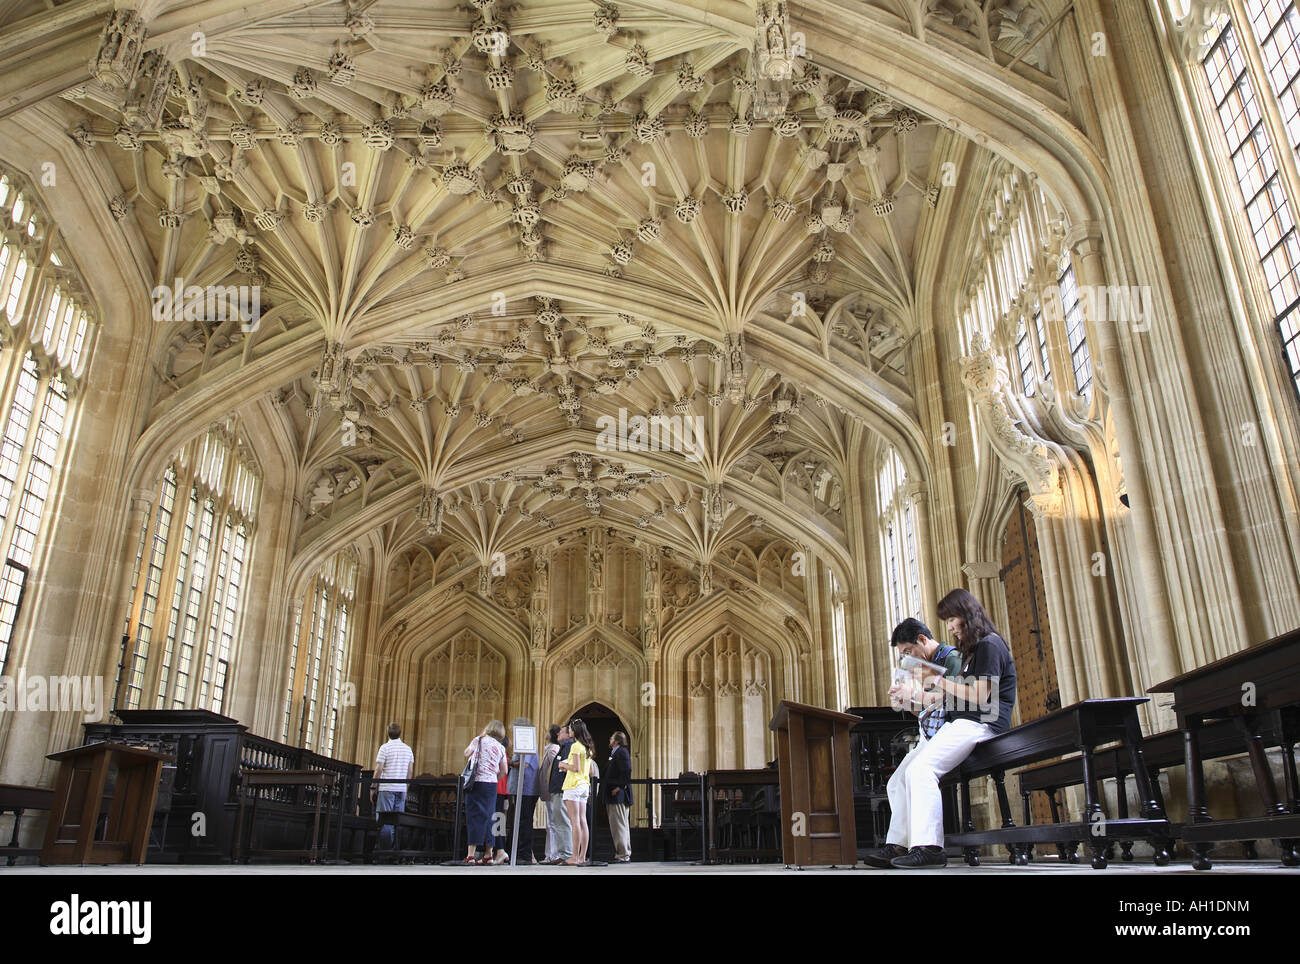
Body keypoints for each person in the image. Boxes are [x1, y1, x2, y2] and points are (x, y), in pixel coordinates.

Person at [881, 590, 1017, 869]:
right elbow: (951, 698)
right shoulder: (974, 651)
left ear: (968, 615)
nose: (951, 627)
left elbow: (980, 696)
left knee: (921, 770)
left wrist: (936, 679)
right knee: (906, 774)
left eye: (953, 619)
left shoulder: (990, 644)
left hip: (983, 722)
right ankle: (902, 844)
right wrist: (913, 696)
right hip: (963, 722)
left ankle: (929, 848)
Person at [862, 618, 961, 868]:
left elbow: (953, 700)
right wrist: (908, 703)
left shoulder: (951, 657)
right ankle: (898, 844)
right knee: (896, 782)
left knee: (917, 774)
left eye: (908, 651)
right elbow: (929, 709)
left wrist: (915, 694)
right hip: (931, 734)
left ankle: (928, 846)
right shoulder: (928, 665)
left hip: (951, 733)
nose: (907, 658)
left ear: (922, 640)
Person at [463, 720, 508, 865]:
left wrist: (479, 737)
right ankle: (489, 854)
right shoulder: (501, 747)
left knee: (474, 816)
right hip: (491, 785)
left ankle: (471, 855)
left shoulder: (479, 740)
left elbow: (466, 753)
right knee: (490, 817)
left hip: (475, 783)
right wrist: (494, 777)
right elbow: (504, 771)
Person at [557, 717, 595, 866]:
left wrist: (563, 765)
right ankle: (582, 856)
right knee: (582, 821)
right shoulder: (588, 748)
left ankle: (574, 857)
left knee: (574, 822)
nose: (569, 731)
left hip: (573, 785)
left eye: (571, 729)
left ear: (576, 731)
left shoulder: (575, 746)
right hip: (584, 785)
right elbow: (589, 769)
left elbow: (576, 768)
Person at [372, 722, 414, 853]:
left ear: (387, 733)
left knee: (385, 820)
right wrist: (406, 787)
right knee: (397, 820)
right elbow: (410, 771)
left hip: (387, 788)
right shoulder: (408, 749)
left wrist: (373, 786)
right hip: (401, 788)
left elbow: (379, 769)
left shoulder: (384, 748)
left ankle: (385, 852)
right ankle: (395, 851)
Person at [507, 716, 540, 864]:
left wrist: (510, 762)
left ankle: (524, 854)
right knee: (520, 820)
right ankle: (521, 852)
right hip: (521, 788)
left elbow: (523, 764)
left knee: (524, 821)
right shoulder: (522, 743)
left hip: (526, 788)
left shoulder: (526, 742)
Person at [541, 724, 574, 864]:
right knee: (558, 822)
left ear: (568, 734)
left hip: (561, 790)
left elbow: (568, 768)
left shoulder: (568, 748)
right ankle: (562, 852)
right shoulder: (563, 747)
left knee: (563, 822)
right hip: (556, 790)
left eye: (561, 732)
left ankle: (566, 853)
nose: (558, 735)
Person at [603, 730, 633, 863]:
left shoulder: (621, 752)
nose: (609, 739)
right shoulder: (614, 753)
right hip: (613, 794)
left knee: (619, 825)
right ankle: (623, 853)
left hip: (618, 795)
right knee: (619, 825)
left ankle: (623, 854)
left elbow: (626, 771)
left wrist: (619, 787)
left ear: (617, 741)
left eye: (611, 738)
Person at [491, 731, 512, 864]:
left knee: (496, 821)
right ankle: (498, 849)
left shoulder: (499, 751)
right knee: (499, 821)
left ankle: (500, 850)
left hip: (497, 789)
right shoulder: (504, 753)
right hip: (503, 791)